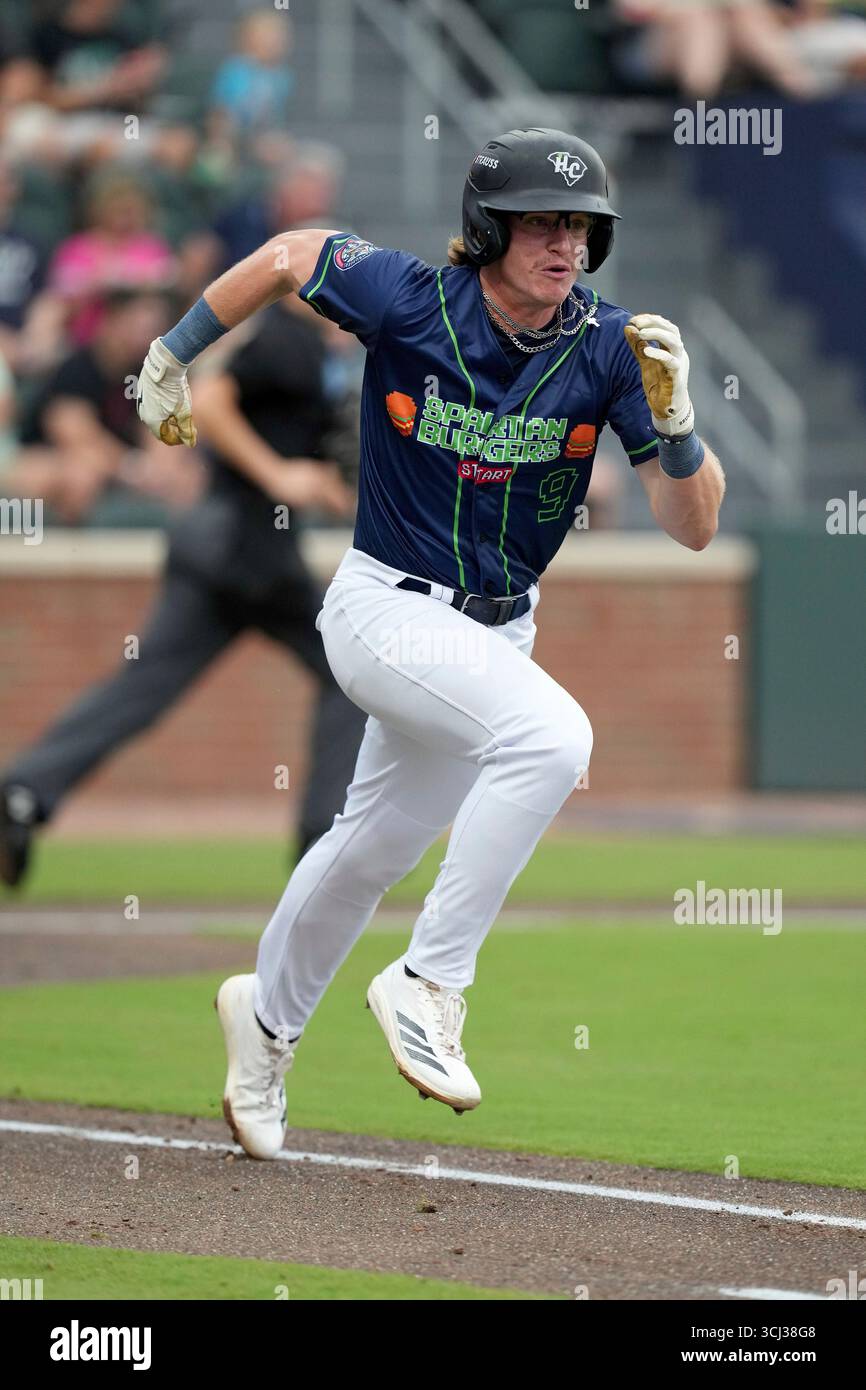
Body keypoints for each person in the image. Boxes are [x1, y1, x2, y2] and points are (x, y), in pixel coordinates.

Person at [136, 127, 725, 1160]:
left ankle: (263, 1022)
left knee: (370, 847)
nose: (565, 243)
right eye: (542, 220)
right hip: (383, 606)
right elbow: (285, 257)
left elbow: (693, 527)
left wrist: (678, 427)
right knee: (549, 741)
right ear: (487, 226)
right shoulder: (410, 299)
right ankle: (428, 981)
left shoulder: (607, 345)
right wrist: (172, 353)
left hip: (496, 633)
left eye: (580, 225)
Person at [0, 288, 368, 886]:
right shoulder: (286, 338)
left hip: (226, 547)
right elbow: (214, 402)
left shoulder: (301, 347)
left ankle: (23, 791)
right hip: (242, 549)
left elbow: (301, 444)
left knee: (143, 688)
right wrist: (280, 474)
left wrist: (319, 480)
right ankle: (319, 848)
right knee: (352, 672)